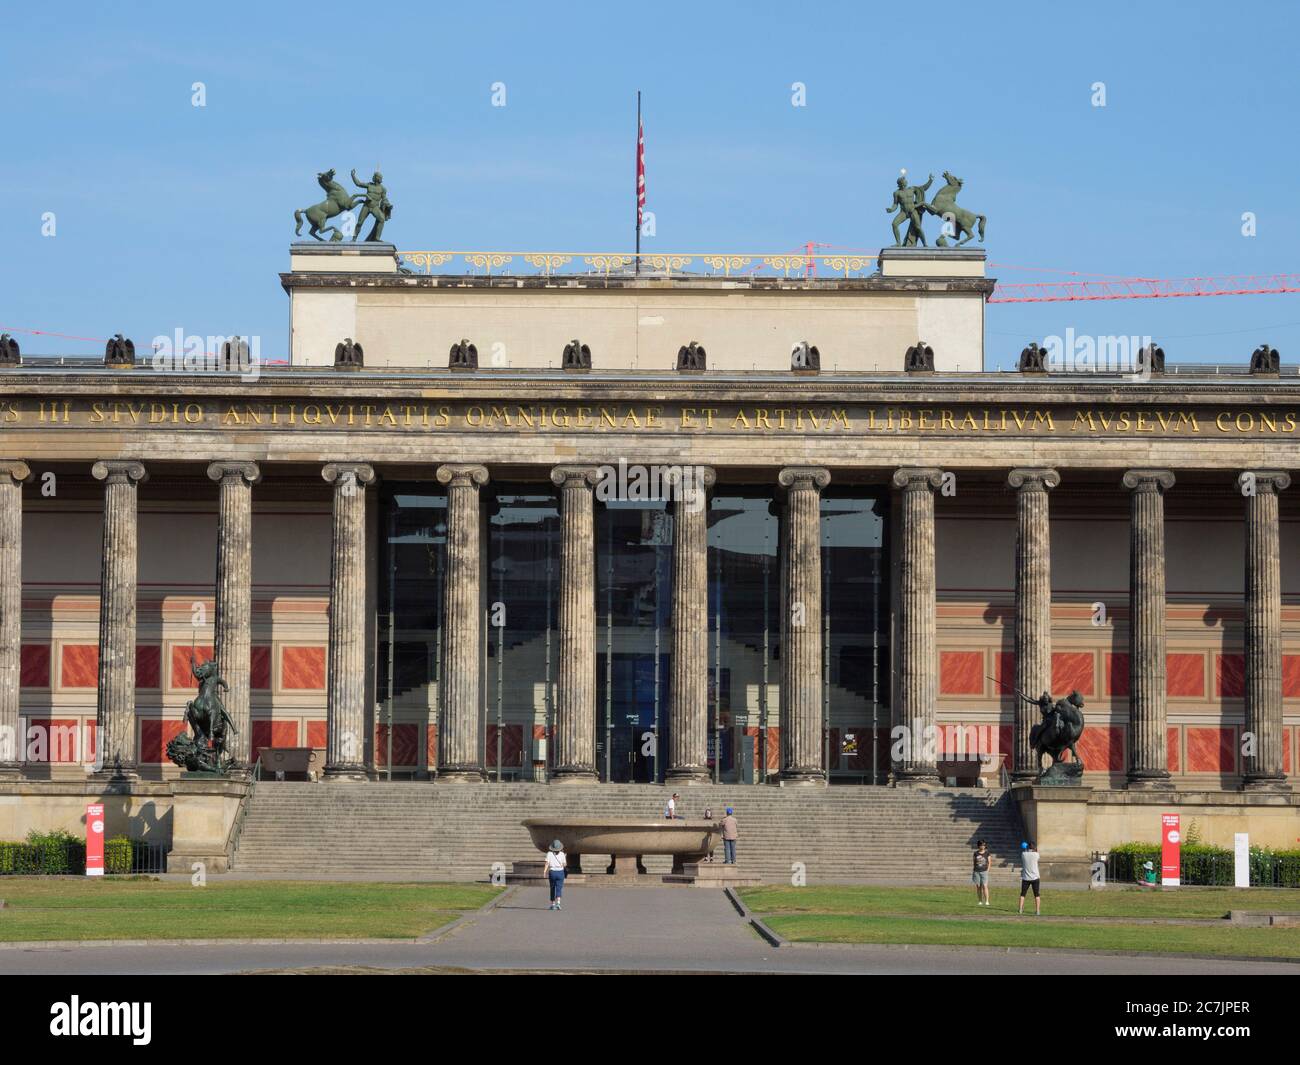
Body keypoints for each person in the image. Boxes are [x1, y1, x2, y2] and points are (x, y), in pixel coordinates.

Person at [1018, 840, 1041, 915]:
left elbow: (1025, 852)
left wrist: (1026, 849)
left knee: (1022, 894)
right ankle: (1037, 910)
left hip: (1026, 877)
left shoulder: (1023, 854)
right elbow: (1037, 855)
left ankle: (1020, 909)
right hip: (1035, 877)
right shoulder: (1036, 854)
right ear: (1034, 847)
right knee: (1037, 895)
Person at [545, 838, 567, 911]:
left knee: (552, 888)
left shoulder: (549, 853)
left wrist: (544, 871)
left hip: (552, 872)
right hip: (560, 872)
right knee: (559, 888)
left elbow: (547, 863)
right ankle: (558, 903)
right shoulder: (562, 854)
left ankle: (552, 904)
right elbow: (564, 864)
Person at [972, 839, 991, 906]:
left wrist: (987, 870)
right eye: (982, 845)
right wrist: (975, 870)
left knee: (985, 886)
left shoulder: (987, 853)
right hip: (976, 871)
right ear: (979, 846)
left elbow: (989, 862)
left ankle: (987, 901)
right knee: (978, 886)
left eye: (984, 845)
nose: (983, 846)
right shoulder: (975, 853)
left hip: (984, 871)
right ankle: (980, 901)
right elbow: (974, 862)